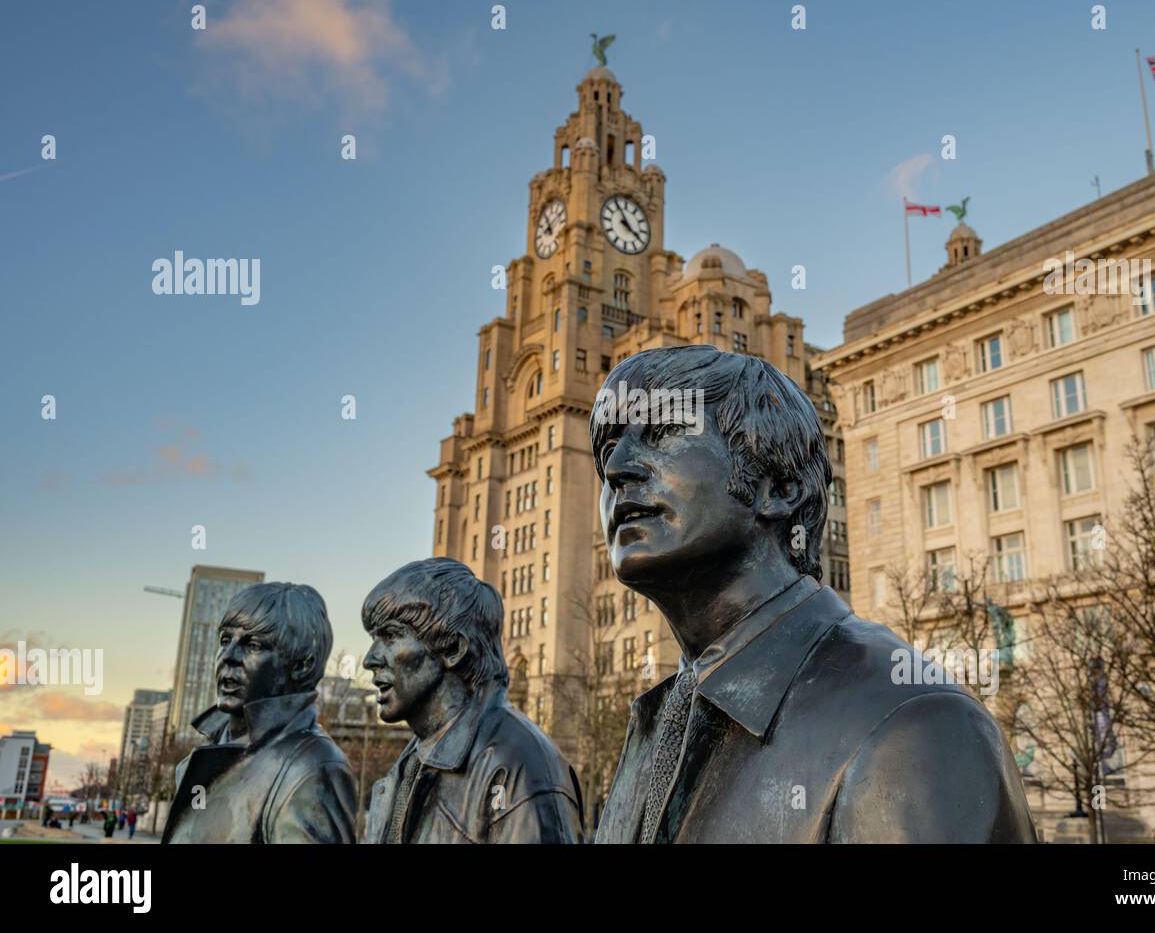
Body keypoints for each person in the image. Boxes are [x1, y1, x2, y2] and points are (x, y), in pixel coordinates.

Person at [588, 345, 1038, 843]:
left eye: (663, 433)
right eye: (608, 450)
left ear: (779, 487)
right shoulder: (658, 724)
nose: (618, 468)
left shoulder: (917, 724)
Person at [361, 558, 583, 843]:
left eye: (391, 636)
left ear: (453, 648)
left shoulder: (519, 767)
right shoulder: (414, 761)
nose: (370, 659)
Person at [162, 582, 358, 843]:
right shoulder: (203, 756)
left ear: (301, 665)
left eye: (252, 645)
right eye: (224, 640)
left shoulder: (312, 768)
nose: (228, 656)